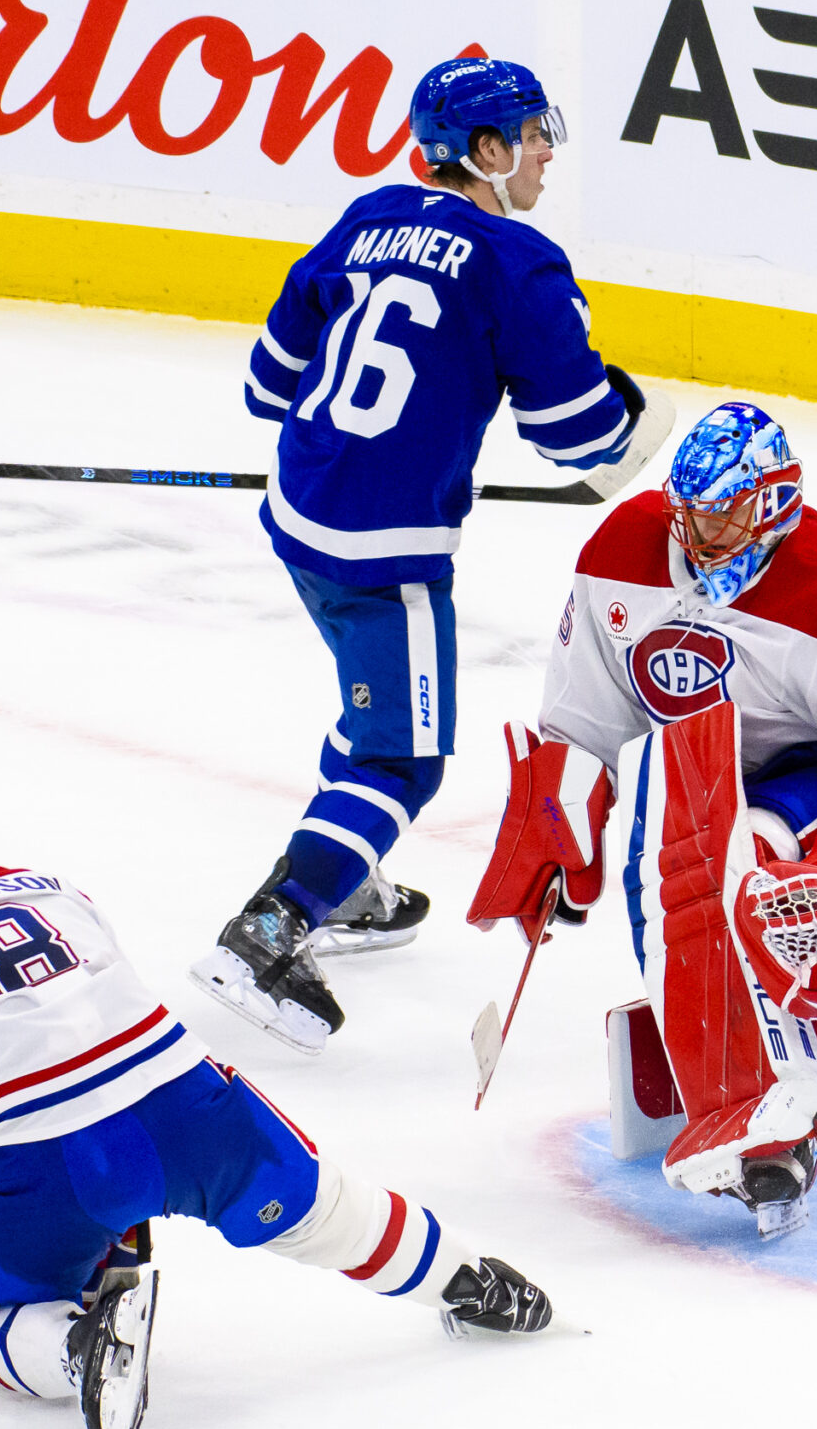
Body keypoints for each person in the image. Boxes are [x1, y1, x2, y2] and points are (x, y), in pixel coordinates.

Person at [0, 763, 552, 1429]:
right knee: (325, 1205)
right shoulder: (57, 889)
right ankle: (466, 1277)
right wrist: (123, 1229)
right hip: (185, 1099)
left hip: (47, 1154)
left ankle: (79, 1351)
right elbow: (105, 1024)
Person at [193, 55, 673, 1054]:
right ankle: (274, 925)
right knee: (402, 757)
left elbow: (267, 380)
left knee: (368, 706)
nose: (545, 151)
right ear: (485, 153)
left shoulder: (366, 217)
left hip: (299, 516)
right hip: (387, 556)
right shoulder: (518, 261)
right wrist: (632, 408)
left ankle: (350, 878)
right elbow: (581, 440)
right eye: (531, 134)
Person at [467, 402, 817, 1239]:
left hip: (806, 786)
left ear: (776, 502)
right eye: (692, 514)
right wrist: (561, 803)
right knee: (677, 819)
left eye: (725, 515)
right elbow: (585, 716)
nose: (701, 535)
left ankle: (776, 1098)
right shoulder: (621, 552)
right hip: (683, 773)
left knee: (737, 865)